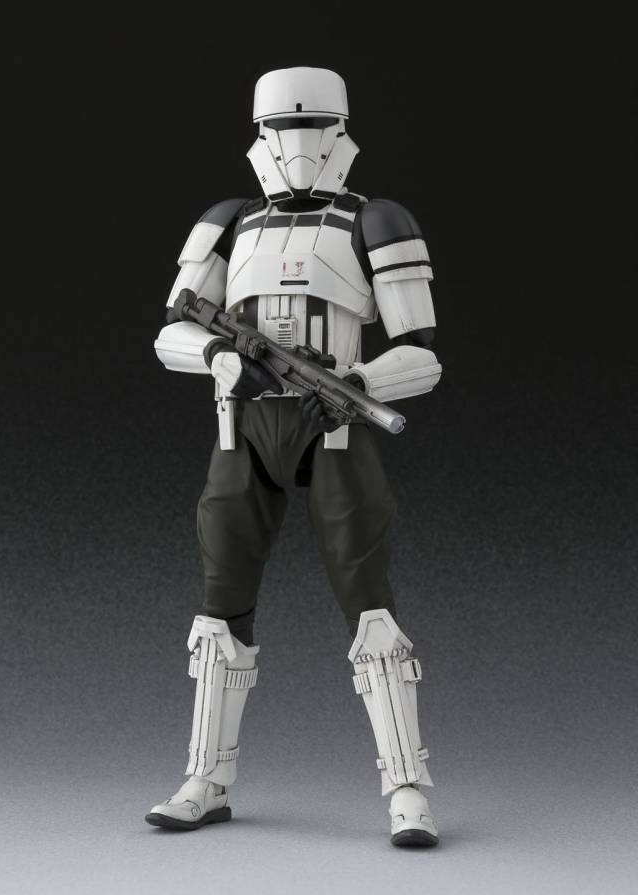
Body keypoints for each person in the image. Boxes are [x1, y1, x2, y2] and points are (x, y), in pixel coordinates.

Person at [147, 67, 442, 847]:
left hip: (335, 425)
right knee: (219, 611)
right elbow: (170, 331)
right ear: (261, 135)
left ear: (340, 130)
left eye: (313, 128)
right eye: (284, 129)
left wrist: (356, 383)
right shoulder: (228, 222)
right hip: (241, 427)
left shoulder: (374, 220)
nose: (299, 146)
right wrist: (221, 354)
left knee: (372, 611)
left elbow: (422, 354)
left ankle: (407, 787)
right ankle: (206, 779)